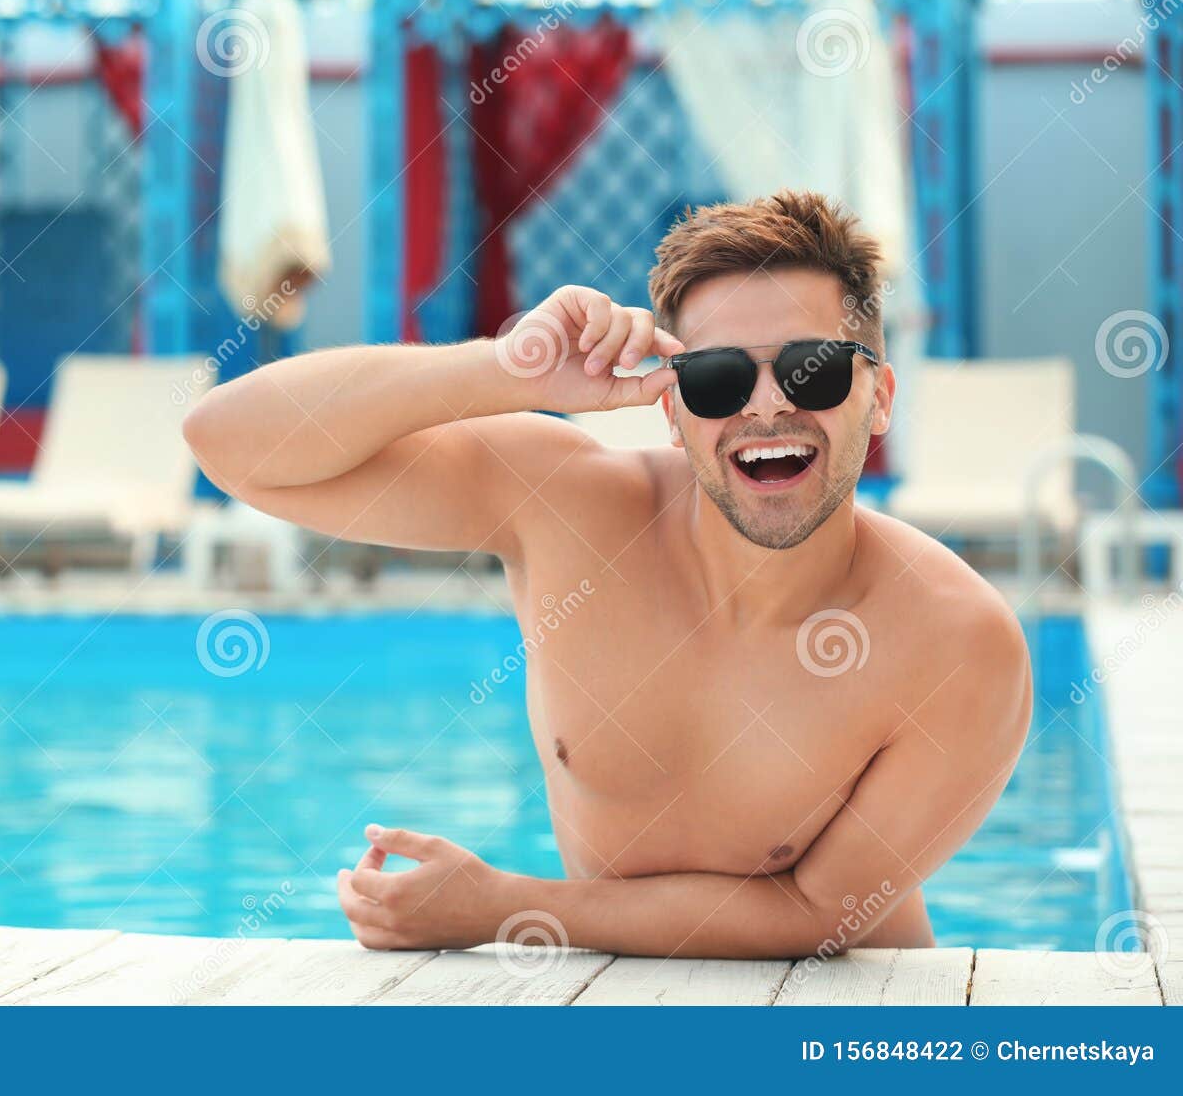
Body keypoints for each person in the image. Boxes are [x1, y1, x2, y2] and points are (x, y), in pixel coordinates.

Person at [182, 190, 1031, 957]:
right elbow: (229, 441)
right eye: (718, 377)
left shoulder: (956, 642)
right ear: (670, 405)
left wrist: (504, 907)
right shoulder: (571, 507)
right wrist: (505, 367)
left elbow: (815, 913)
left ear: (879, 396)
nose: (767, 405)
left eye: (813, 368)